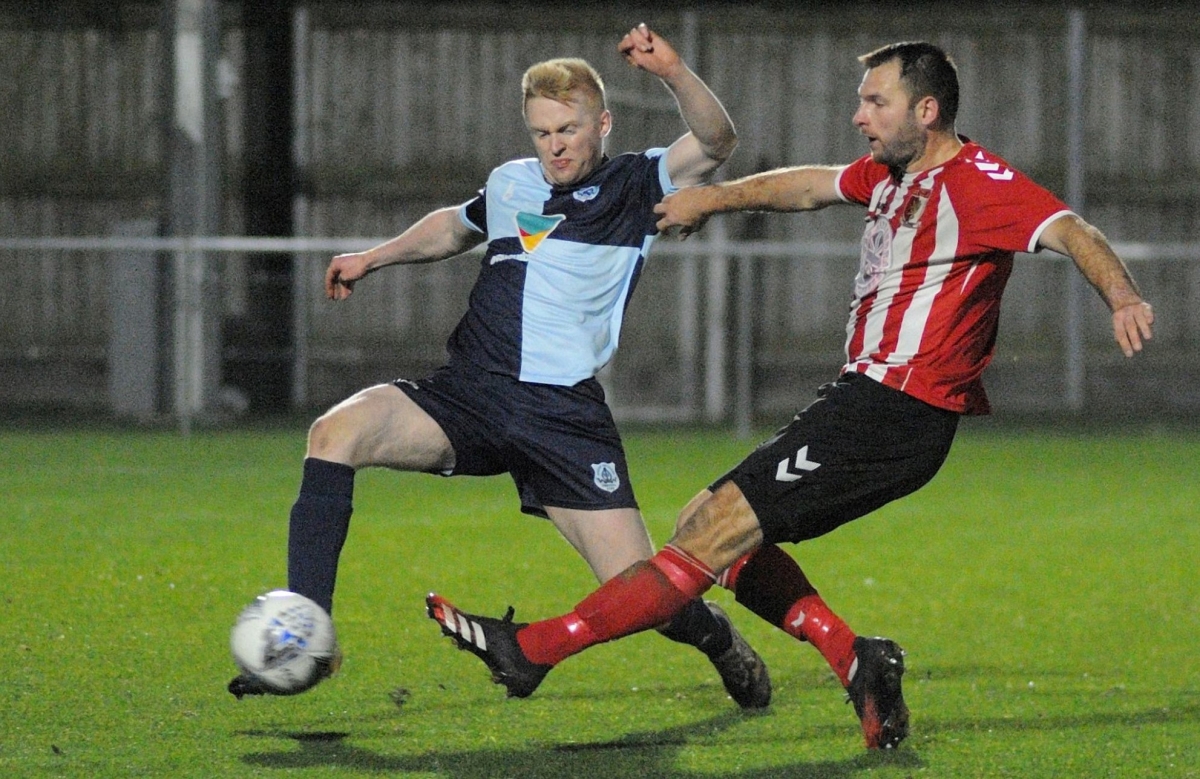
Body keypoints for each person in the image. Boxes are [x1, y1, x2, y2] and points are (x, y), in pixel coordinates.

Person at [424, 40, 1156, 750]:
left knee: (707, 537)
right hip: (864, 403)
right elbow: (804, 186)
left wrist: (1121, 295)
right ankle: (856, 659)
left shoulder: (980, 182)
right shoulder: (890, 174)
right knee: (709, 524)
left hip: (895, 411)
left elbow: (1072, 229)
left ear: (926, 110)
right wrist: (711, 198)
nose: (860, 115)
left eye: (876, 101)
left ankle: (535, 647)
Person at [228, 23, 773, 710]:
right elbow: (456, 225)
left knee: (646, 592)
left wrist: (673, 72)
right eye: (543, 131)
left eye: (569, 129)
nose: (556, 145)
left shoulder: (637, 182)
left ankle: (718, 639)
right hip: (469, 395)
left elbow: (718, 142)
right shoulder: (513, 183)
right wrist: (373, 256)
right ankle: (308, 636)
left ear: (601, 123)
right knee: (335, 433)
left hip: (561, 416)